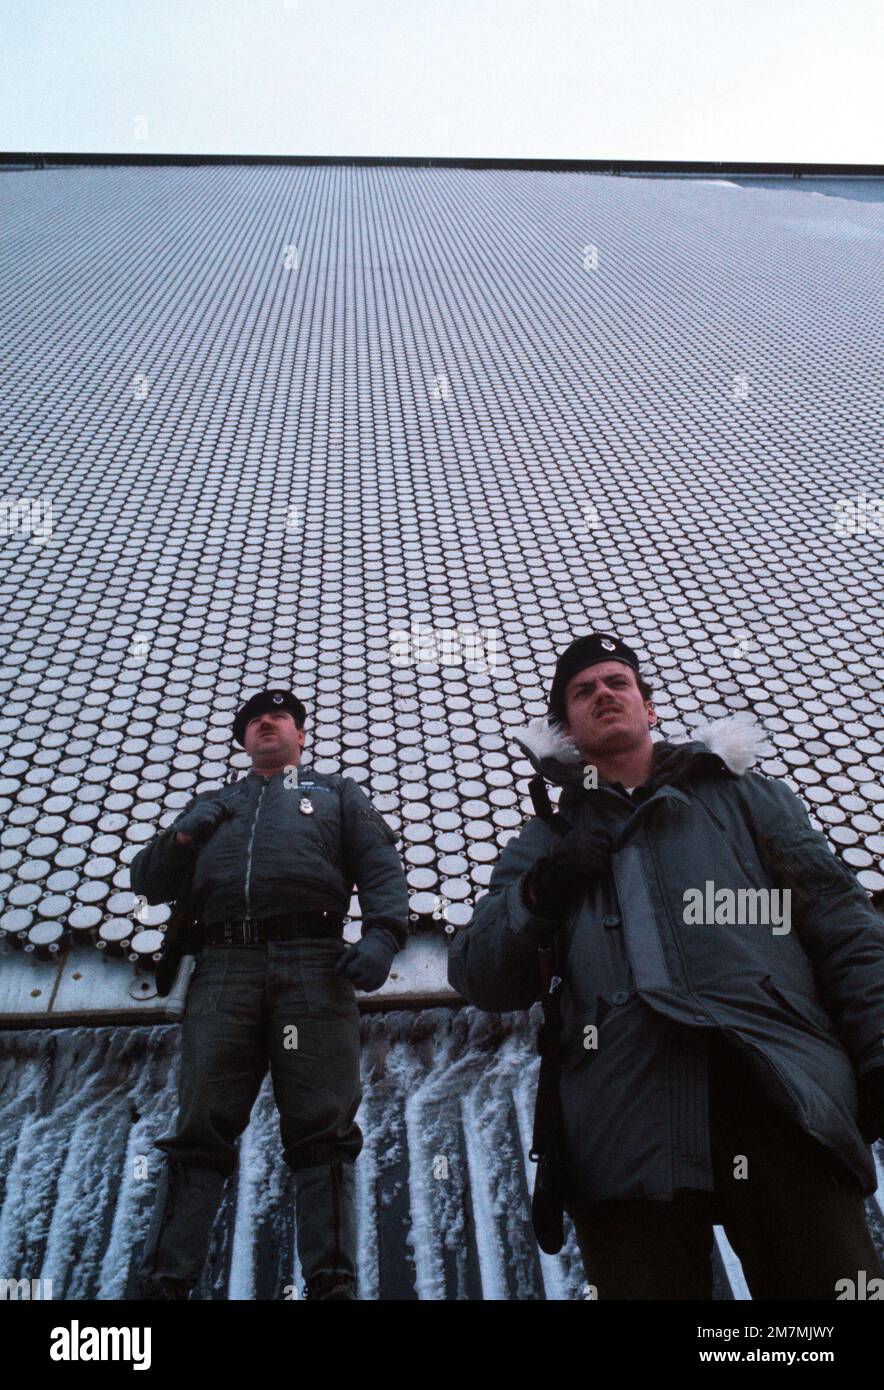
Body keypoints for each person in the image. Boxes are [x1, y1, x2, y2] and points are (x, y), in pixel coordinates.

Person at [448, 633, 884, 1298]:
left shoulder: (749, 799)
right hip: (621, 1123)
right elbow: (476, 974)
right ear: (565, 730)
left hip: (777, 1095)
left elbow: (843, 923)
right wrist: (538, 895)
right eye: (584, 690)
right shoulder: (544, 843)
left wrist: (878, 1048)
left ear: (648, 708)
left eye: (617, 682)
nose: (603, 694)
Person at [129, 688, 409, 1300]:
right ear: (244, 740)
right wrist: (183, 836)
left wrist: (384, 935)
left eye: (279, 716)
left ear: (300, 736)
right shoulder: (214, 805)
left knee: (324, 1129)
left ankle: (331, 1285)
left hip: (315, 963)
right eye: (255, 719)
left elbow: (381, 867)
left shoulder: (337, 794)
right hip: (223, 966)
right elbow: (147, 882)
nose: (266, 723)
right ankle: (162, 1288)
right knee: (200, 1125)